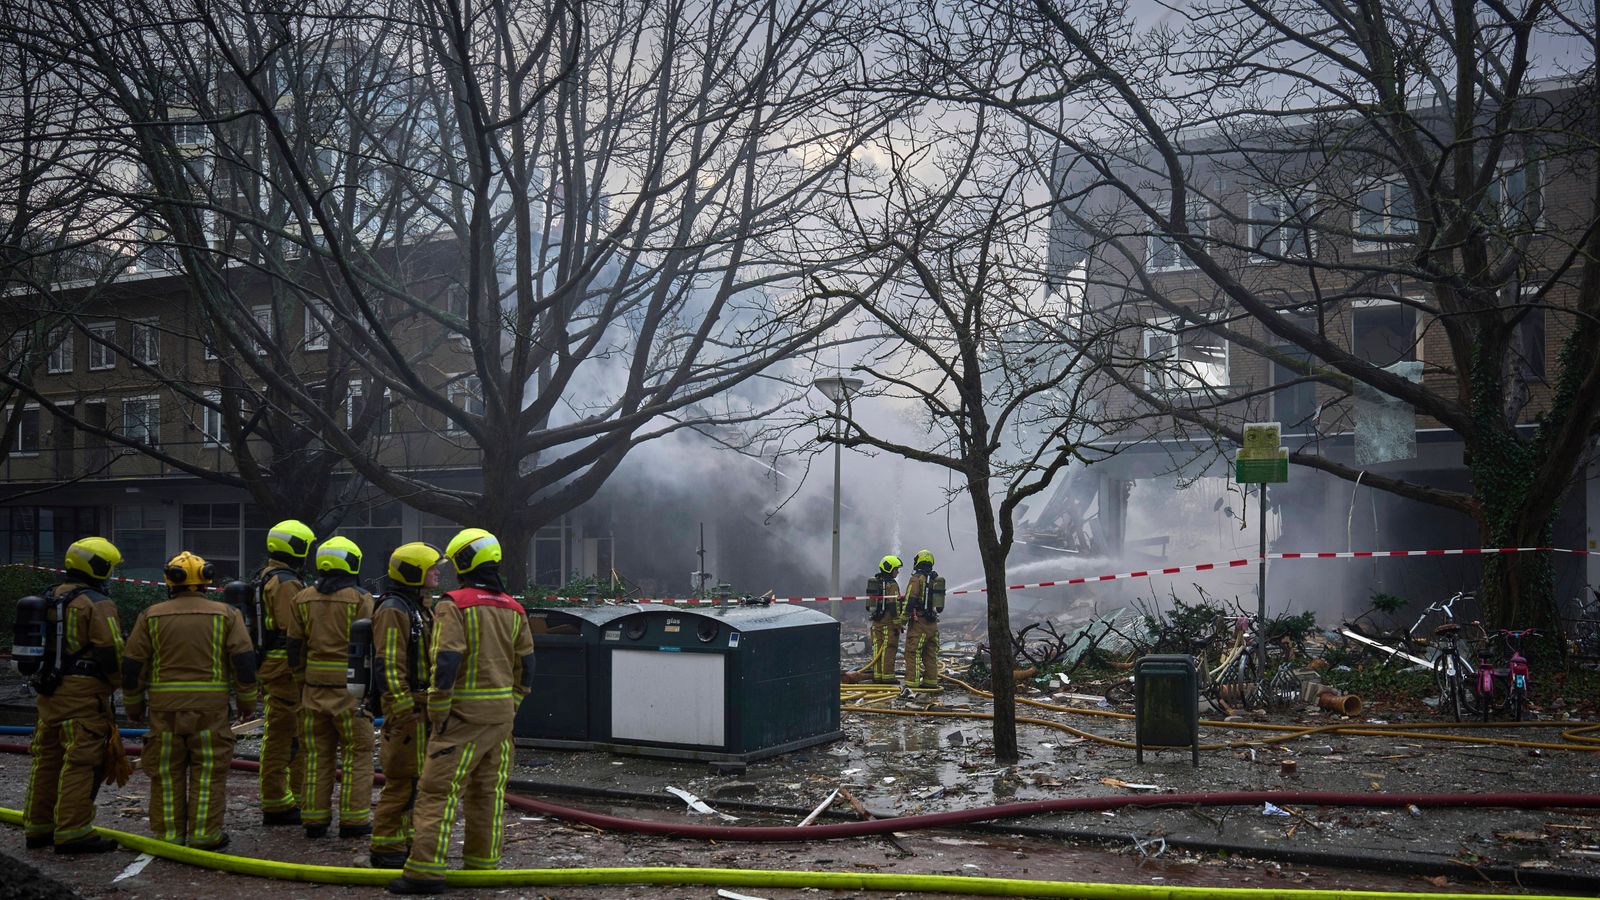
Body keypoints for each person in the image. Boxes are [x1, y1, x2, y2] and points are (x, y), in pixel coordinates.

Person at [389, 528, 535, 895]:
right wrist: (513, 703)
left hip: (461, 719)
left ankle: (423, 871)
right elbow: (527, 666)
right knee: (487, 792)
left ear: (465, 562)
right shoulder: (514, 608)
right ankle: (482, 867)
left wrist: (439, 710)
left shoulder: (453, 604)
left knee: (437, 791)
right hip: (501, 720)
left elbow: (447, 659)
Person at [122, 552, 257, 850]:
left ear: (169, 582)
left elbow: (133, 666)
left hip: (163, 712)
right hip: (211, 712)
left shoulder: (151, 615)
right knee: (208, 771)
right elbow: (244, 662)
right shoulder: (227, 614)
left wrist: (133, 707)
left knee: (166, 773)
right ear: (207, 581)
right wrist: (248, 703)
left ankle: (169, 837)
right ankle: (204, 836)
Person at [22, 537, 127, 853]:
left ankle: (38, 827)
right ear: (99, 567)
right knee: (82, 762)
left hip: (49, 694)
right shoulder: (96, 603)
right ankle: (73, 832)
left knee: (47, 760)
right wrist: (123, 685)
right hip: (83, 698)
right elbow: (111, 653)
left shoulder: (50, 598)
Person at [287, 535, 376, 839]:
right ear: (352, 562)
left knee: (315, 756)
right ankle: (354, 821)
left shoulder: (302, 598)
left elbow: (294, 647)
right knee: (358, 754)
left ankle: (314, 819)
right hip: (352, 692)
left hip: (313, 690)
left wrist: (303, 682)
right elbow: (370, 648)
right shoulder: (361, 599)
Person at [369, 542, 443, 869]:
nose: (438, 572)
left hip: (421, 707)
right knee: (401, 781)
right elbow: (388, 663)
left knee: (419, 781)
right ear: (415, 572)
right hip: (408, 710)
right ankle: (385, 848)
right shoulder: (393, 609)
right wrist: (401, 711)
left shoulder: (418, 606)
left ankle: (409, 843)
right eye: (431, 567)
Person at [254, 519, 316, 826]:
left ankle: (291, 797)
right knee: (285, 736)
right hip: (285, 671)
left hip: (278, 669)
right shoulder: (285, 582)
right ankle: (278, 801)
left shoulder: (270, 575)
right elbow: (292, 627)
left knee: (291, 734)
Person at [902, 549, 944, 690]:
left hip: (919, 623)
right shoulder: (935, 580)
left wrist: (902, 619)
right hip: (933, 624)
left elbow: (910, 600)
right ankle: (931, 682)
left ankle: (912, 684)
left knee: (912, 653)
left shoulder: (916, 579)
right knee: (930, 654)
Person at [866, 555, 904, 684]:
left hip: (876, 621)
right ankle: (887, 677)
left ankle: (877, 676)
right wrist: (897, 621)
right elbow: (892, 604)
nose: (897, 572)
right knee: (889, 648)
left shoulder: (877, 582)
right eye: (896, 569)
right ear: (890, 569)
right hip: (888, 622)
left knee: (877, 647)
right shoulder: (892, 585)